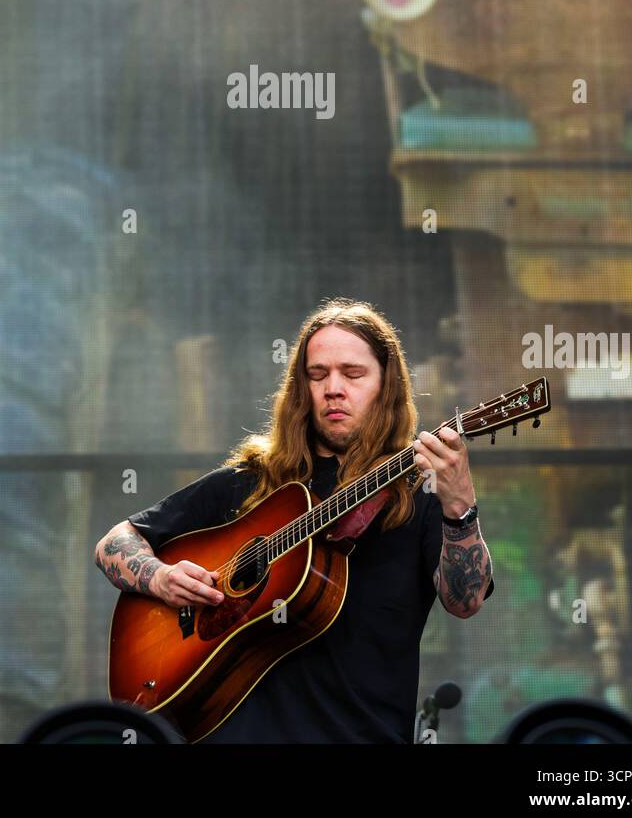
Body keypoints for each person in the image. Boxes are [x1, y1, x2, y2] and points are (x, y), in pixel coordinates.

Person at [95, 297, 494, 743]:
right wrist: (159, 577)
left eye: (353, 374)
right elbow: (116, 541)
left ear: (388, 385)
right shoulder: (248, 482)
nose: (333, 389)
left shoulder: (418, 493)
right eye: (318, 375)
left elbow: (466, 601)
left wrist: (460, 505)